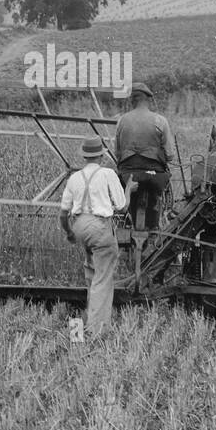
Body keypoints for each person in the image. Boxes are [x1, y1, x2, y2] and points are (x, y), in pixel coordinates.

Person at [58, 137, 127, 338]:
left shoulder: (75, 178)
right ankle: (95, 331)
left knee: (91, 272)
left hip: (80, 227)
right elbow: (122, 206)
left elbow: (63, 214)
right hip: (100, 228)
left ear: (85, 156)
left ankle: (82, 326)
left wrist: (69, 232)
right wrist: (129, 190)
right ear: (101, 156)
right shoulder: (107, 174)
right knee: (102, 279)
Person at [114, 82, 175, 230]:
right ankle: (162, 219)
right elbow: (170, 154)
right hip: (155, 176)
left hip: (128, 175)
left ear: (132, 100)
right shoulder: (160, 121)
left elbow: (117, 153)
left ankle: (123, 222)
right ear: (148, 100)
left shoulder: (122, 121)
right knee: (166, 197)